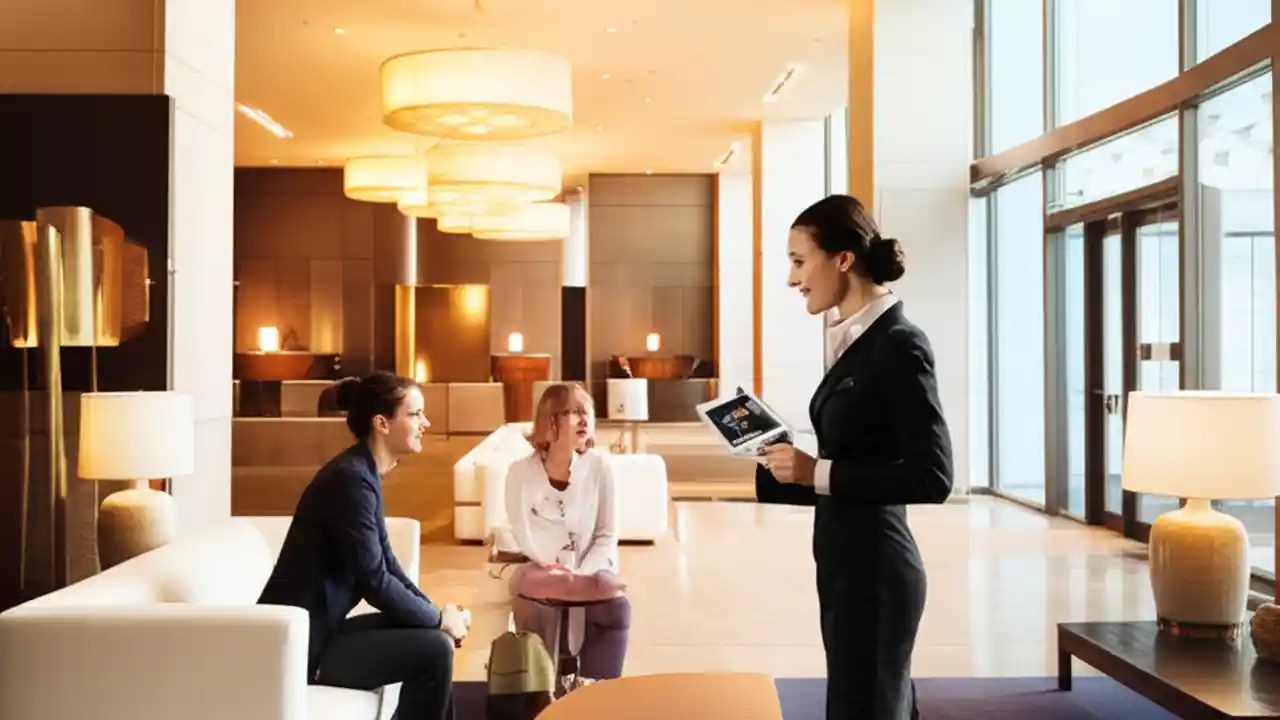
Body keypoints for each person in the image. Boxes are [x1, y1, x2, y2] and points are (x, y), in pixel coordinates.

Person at [760, 194, 954, 720]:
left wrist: (816, 472)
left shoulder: (899, 344)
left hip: (876, 573)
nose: (791, 278)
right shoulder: (854, 339)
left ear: (843, 259)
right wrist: (785, 468)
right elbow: (861, 454)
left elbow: (933, 476)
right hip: (848, 566)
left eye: (799, 261)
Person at [258, 371, 469, 720]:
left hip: (321, 632)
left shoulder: (362, 473)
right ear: (382, 423)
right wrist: (438, 619)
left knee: (435, 638)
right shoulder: (349, 480)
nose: (426, 423)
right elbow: (374, 580)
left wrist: (436, 616)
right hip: (301, 647)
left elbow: (388, 565)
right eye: (415, 414)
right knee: (435, 651)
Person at [503, 383, 631, 682]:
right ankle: (543, 687)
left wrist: (580, 576)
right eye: (573, 412)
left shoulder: (600, 467)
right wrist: (559, 572)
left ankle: (596, 692)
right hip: (544, 572)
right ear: (549, 421)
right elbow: (525, 535)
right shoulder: (520, 473)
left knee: (611, 597)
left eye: (586, 411)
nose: (583, 419)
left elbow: (606, 535)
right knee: (529, 581)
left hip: (591, 572)